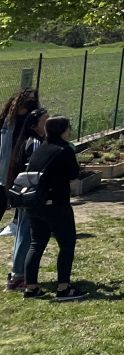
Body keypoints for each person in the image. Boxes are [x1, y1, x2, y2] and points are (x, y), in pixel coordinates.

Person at [19, 115, 85, 301]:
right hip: (57, 205)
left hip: (35, 204)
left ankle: (31, 287)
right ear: (62, 130)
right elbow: (73, 179)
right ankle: (63, 287)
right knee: (67, 243)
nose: (70, 131)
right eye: (68, 128)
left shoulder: (40, 149)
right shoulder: (65, 150)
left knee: (36, 243)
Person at [2, 87, 44, 291]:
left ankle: (18, 274)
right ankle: (19, 275)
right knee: (26, 230)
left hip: (15, 186)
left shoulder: (13, 128)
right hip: (22, 189)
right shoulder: (31, 142)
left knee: (23, 229)